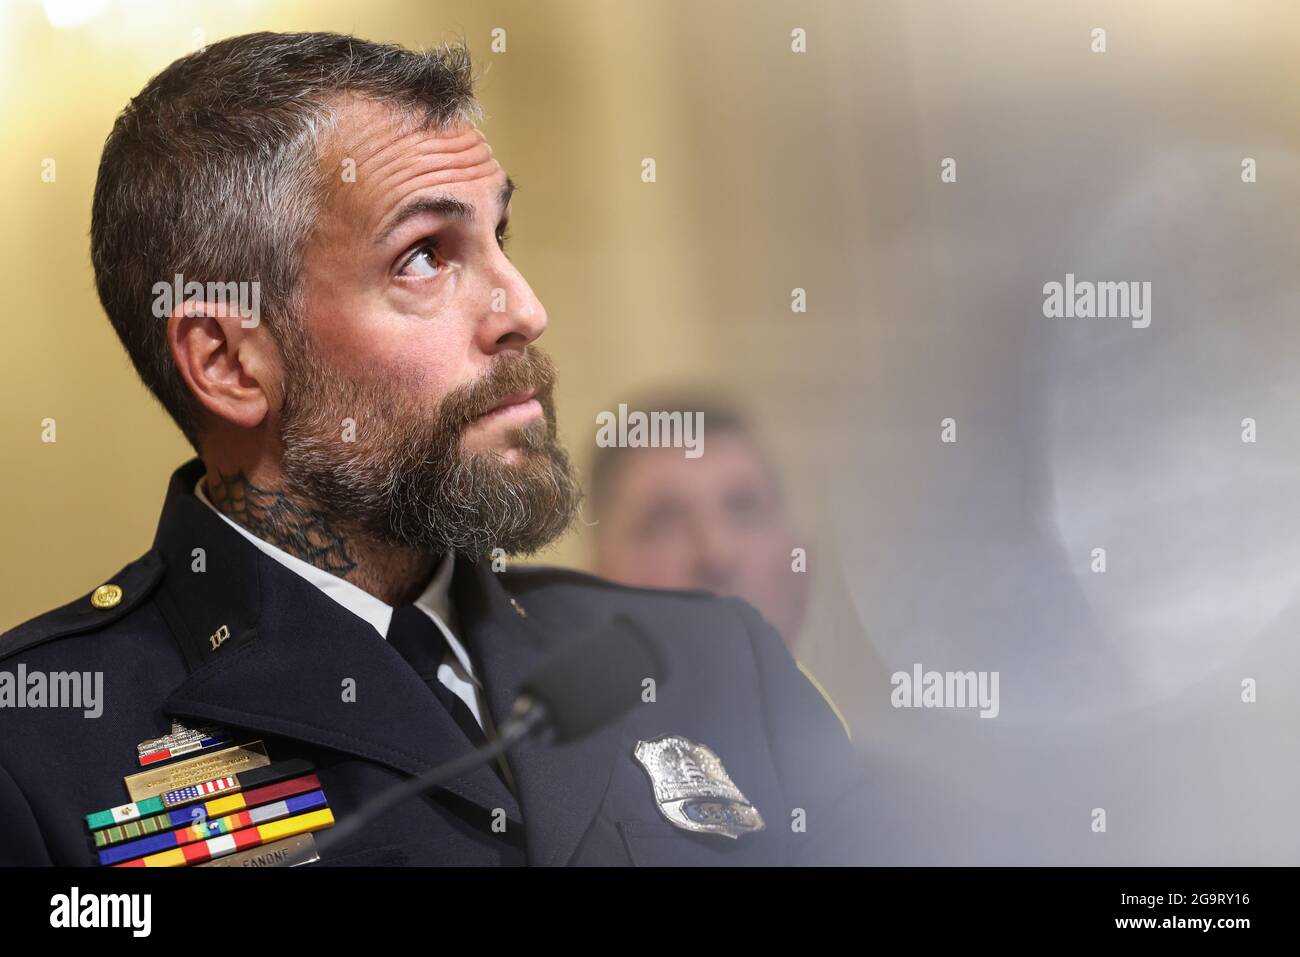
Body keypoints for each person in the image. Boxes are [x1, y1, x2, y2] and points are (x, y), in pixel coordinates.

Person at [0, 31, 869, 866]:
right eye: (424, 255)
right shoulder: (37, 745)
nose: (524, 309)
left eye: (501, 237)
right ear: (230, 362)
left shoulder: (709, 661)